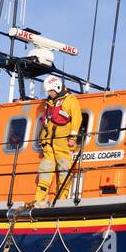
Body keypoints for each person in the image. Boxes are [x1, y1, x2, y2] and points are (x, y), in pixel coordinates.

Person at [34, 75, 82, 204]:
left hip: (63, 143)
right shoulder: (49, 103)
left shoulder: (70, 100)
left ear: (57, 87)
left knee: (64, 170)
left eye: (50, 91)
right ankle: (39, 199)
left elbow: (77, 118)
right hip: (49, 144)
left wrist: (73, 137)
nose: (49, 93)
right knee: (45, 169)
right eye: (48, 91)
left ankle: (61, 200)